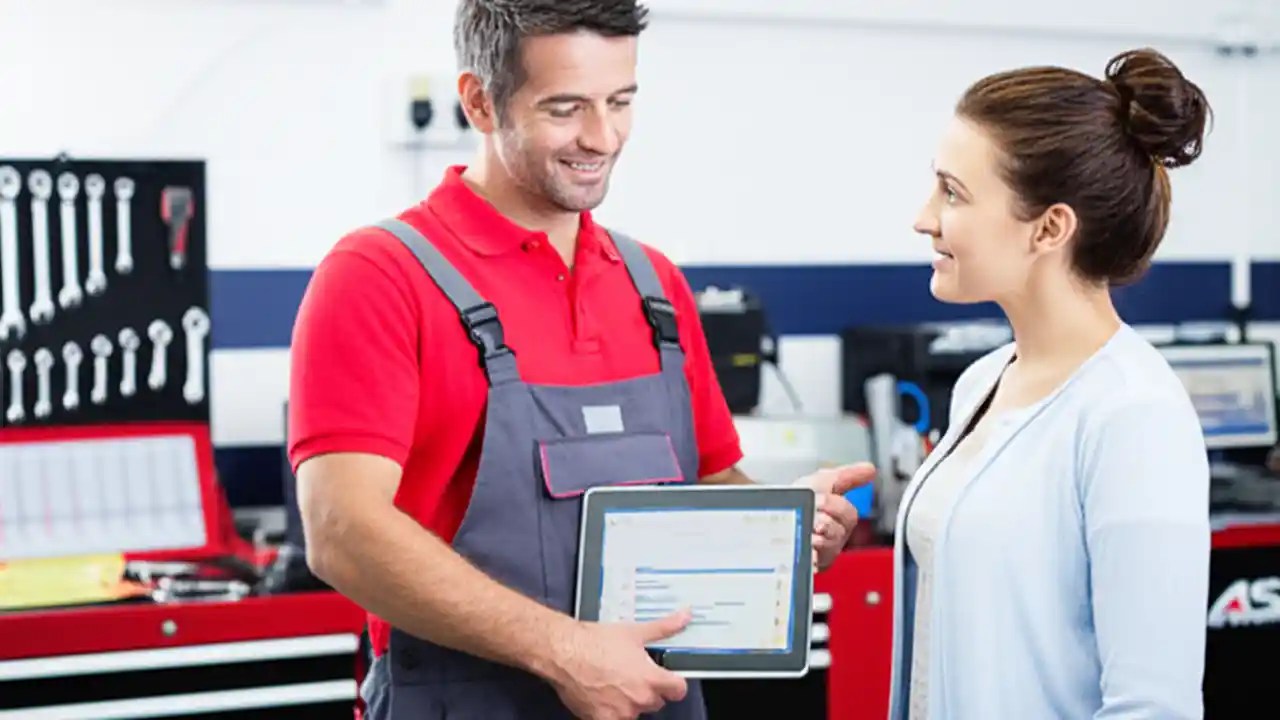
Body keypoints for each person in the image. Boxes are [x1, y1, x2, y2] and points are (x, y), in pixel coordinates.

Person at [287, 2, 871, 719]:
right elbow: (341, 529)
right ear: (478, 100)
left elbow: (710, 486)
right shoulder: (378, 276)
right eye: (565, 108)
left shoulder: (654, 286)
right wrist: (565, 651)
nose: (602, 137)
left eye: (620, 102)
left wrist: (787, 526)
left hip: (653, 701)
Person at [892, 48, 1214, 719]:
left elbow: (1153, 707)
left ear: (1050, 228)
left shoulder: (1133, 414)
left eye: (953, 192)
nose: (924, 217)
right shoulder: (984, 381)